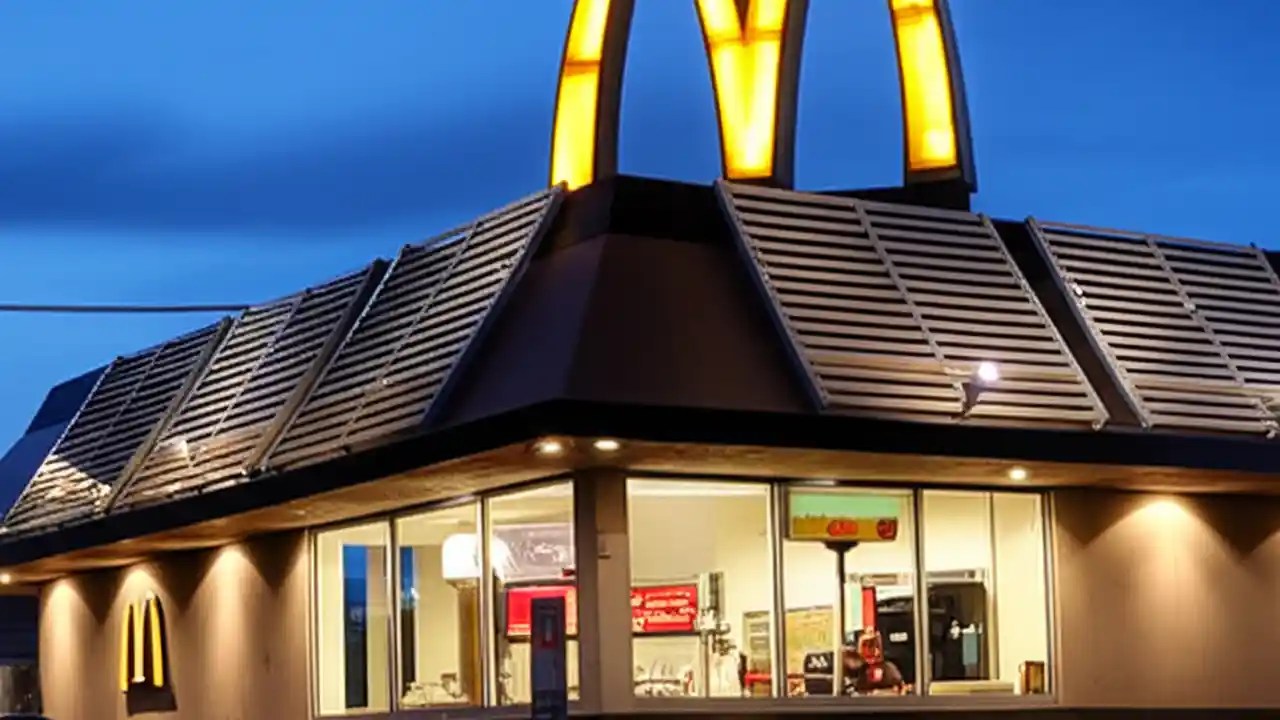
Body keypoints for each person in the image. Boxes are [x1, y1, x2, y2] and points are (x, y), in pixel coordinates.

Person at [843, 628, 909, 695]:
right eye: (864, 645)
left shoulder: (889, 668)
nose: (868, 649)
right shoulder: (856, 670)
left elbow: (901, 689)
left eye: (872, 644)